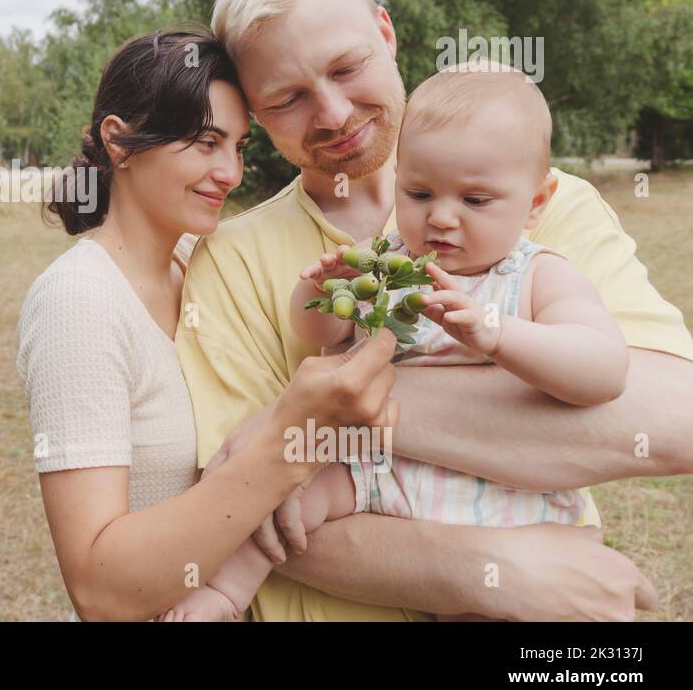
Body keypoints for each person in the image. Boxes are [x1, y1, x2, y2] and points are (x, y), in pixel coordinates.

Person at [180, 0, 691, 621]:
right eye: (288, 97)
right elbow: (237, 504)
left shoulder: (538, 205)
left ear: (385, 33)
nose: (331, 113)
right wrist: (493, 571)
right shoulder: (233, 259)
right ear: (255, 112)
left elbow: (673, 420)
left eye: (346, 66)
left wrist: (318, 413)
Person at [164, 64, 629, 621]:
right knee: (290, 495)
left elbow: (603, 368)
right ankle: (224, 593)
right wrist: (320, 288)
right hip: (382, 474)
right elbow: (318, 333)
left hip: (506, 493)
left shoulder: (537, 275)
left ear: (536, 202)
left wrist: (497, 332)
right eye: (419, 192)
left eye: (476, 201)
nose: (441, 217)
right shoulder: (389, 263)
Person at [16, 27, 399, 621]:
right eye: (204, 141)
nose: (230, 171)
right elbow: (97, 587)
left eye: (239, 146)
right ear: (119, 143)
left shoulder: (195, 269)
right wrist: (293, 436)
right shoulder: (79, 300)